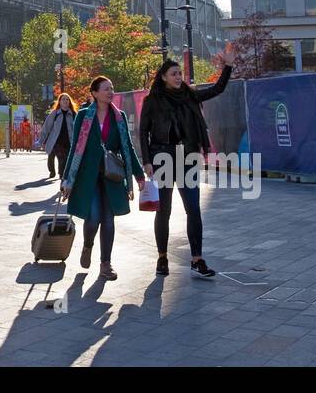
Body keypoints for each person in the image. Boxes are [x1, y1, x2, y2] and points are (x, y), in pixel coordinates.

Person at [138, 45, 233, 280]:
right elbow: (143, 132)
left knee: (193, 209)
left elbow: (218, 89)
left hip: (188, 158)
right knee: (164, 211)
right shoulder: (153, 101)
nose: (178, 77)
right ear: (163, 77)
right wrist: (147, 161)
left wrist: (228, 66)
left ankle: (197, 259)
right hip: (163, 157)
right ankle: (162, 257)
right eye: (173, 74)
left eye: (180, 73)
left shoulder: (190, 95)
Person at [59, 77, 146, 280]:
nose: (110, 92)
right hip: (88, 177)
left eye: (112, 88)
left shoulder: (119, 117)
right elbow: (75, 148)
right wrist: (67, 179)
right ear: (95, 93)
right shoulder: (83, 116)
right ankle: (88, 245)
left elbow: (128, 148)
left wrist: (138, 174)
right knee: (94, 217)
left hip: (112, 176)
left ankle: (105, 264)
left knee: (108, 220)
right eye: (106, 89)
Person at [38, 93, 77, 181]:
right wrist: (40, 141)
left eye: (67, 99)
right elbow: (46, 127)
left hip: (69, 141)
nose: (65, 101)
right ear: (59, 101)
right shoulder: (55, 113)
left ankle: (62, 176)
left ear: (69, 102)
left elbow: (79, 128)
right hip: (56, 141)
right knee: (59, 158)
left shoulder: (74, 114)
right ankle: (57, 174)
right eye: (63, 99)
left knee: (66, 160)